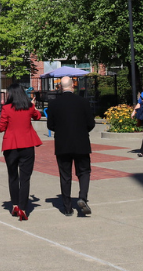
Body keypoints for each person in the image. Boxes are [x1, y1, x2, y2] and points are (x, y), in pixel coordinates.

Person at [46, 76, 95, 216]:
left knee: (65, 175)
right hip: (81, 142)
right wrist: (82, 131)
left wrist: (61, 130)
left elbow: (50, 125)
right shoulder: (83, 102)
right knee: (84, 171)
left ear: (60, 87)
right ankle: (82, 197)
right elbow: (91, 123)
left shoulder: (54, 103)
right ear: (73, 85)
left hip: (62, 143)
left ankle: (67, 207)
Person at [0, 83, 43, 221]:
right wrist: (33, 106)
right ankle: (23, 208)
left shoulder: (6, 108)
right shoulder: (28, 107)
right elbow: (37, 117)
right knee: (25, 178)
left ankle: (15, 205)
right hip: (27, 144)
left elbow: (1, 127)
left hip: (11, 145)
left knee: (13, 177)